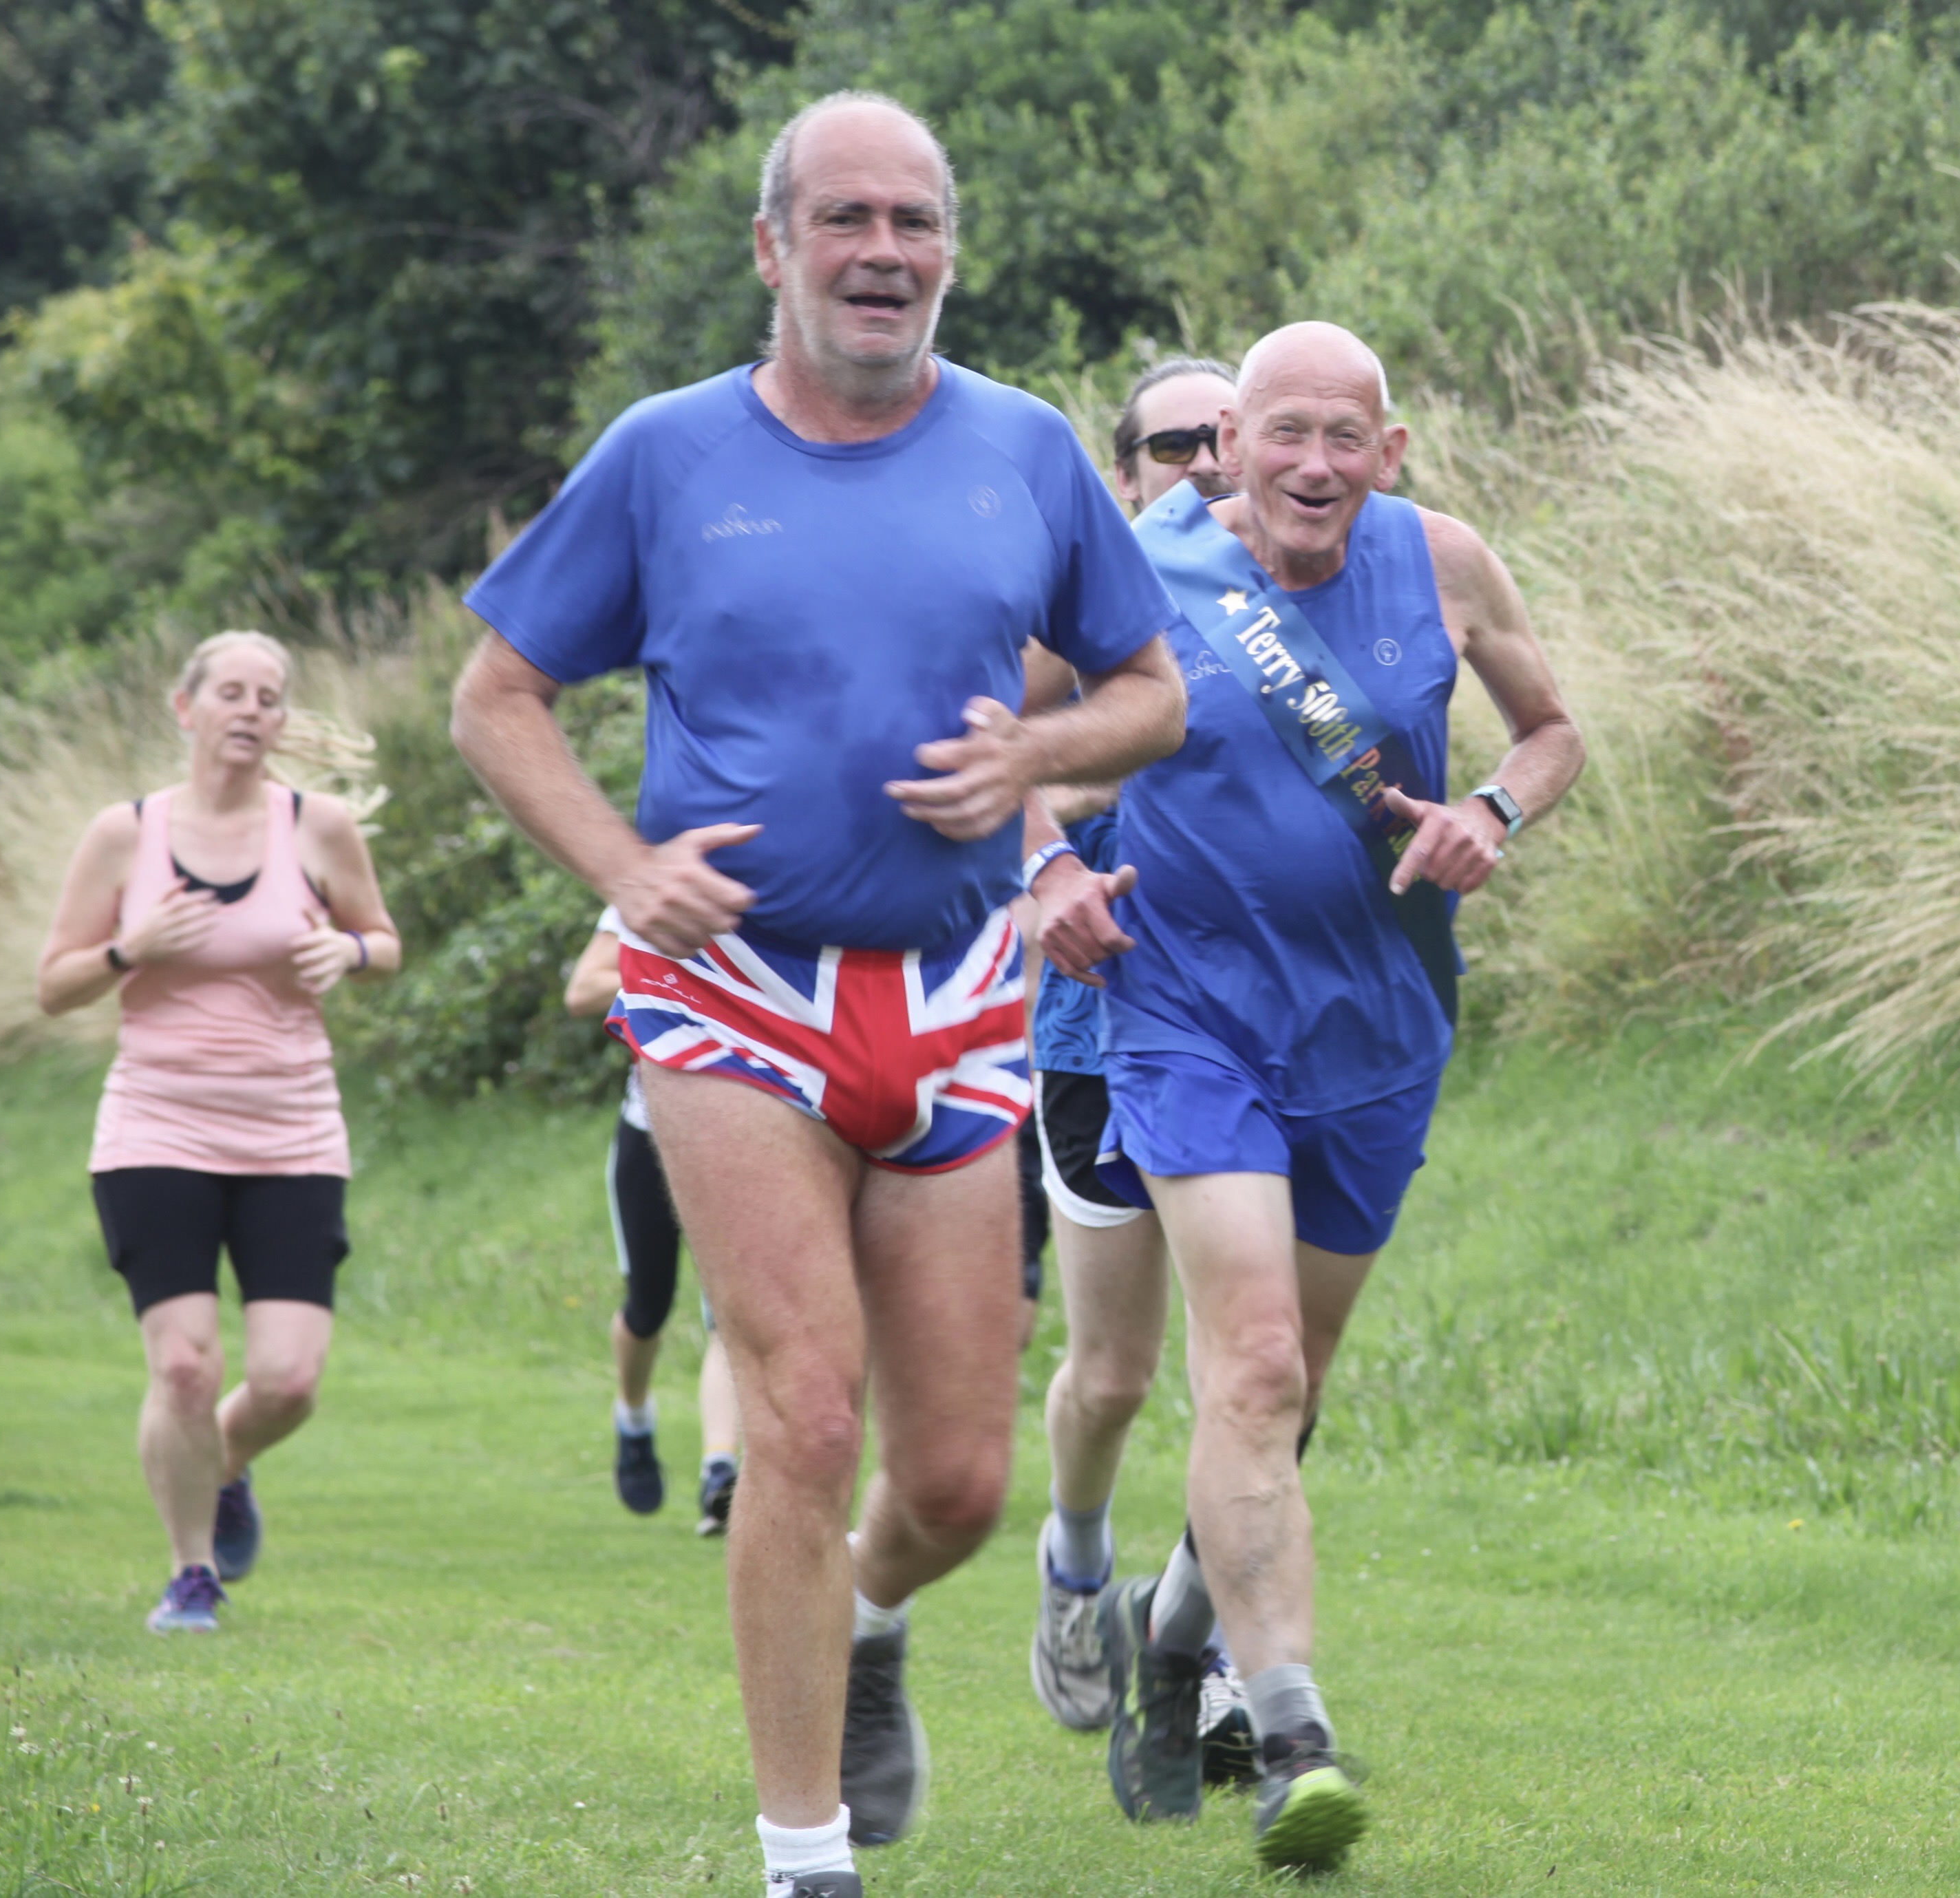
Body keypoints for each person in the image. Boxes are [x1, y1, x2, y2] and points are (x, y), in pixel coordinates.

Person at [449, 90, 1187, 1898]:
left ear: (949, 252)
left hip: (954, 995)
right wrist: (623, 868)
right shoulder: (666, 454)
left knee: (954, 1482)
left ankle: (863, 1616)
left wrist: (1036, 750)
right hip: (732, 992)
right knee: (801, 1411)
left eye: (914, 221)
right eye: (845, 218)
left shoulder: (1024, 447)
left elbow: (1153, 693)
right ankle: (805, 1855)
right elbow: (496, 698)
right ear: (772, 247)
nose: (883, 251)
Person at [1027, 321, 1584, 1871]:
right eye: (1284, 432)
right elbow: (988, 741)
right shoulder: (1138, 569)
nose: (1314, 464)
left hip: (1377, 1028)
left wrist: (1491, 810)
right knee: (1256, 1360)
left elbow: (1551, 734)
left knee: (1294, 1387)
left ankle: (1169, 1632)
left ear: (1387, 451)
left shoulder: (1444, 561)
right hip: (1185, 1018)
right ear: (1230, 446)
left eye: (1347, 436)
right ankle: (1290, 1736)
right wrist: (1046, 865)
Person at [37, 631, 401, 1634]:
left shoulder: (319, 826)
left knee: (289, 1380)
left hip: (292, 1125)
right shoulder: (126, 834)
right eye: (231, 692)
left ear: (283, 720)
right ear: (185, 707)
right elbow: (55, 984)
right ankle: (190, 1572)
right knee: (186, 1366)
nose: (251, 710)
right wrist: (131, 947)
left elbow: (384, 940)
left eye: (269, 697)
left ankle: (222, 1465)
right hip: (157, 1123)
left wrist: (349, 950)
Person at [1023, 359, 1244, 1758]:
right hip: (1101, 1028)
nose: (1210, 464)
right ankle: (1076, 1559)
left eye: (1231, 437)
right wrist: (1069, 828)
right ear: (1125, 474)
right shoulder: (1080, 614)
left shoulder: (1313, 604)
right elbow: (995, 766)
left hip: (1260, 1035)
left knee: (1258, 1374)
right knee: (1111, 1375)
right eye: (1177, 443)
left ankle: (1201, 1647)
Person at [563, 916, 743, 1529]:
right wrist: (672, 981)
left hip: (743, 1136)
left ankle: (720, 1470)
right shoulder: (654, 891)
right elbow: (582, 990)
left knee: (731, 1312)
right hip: (652, 1131)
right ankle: (633, 1417)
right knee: (648, 1308)